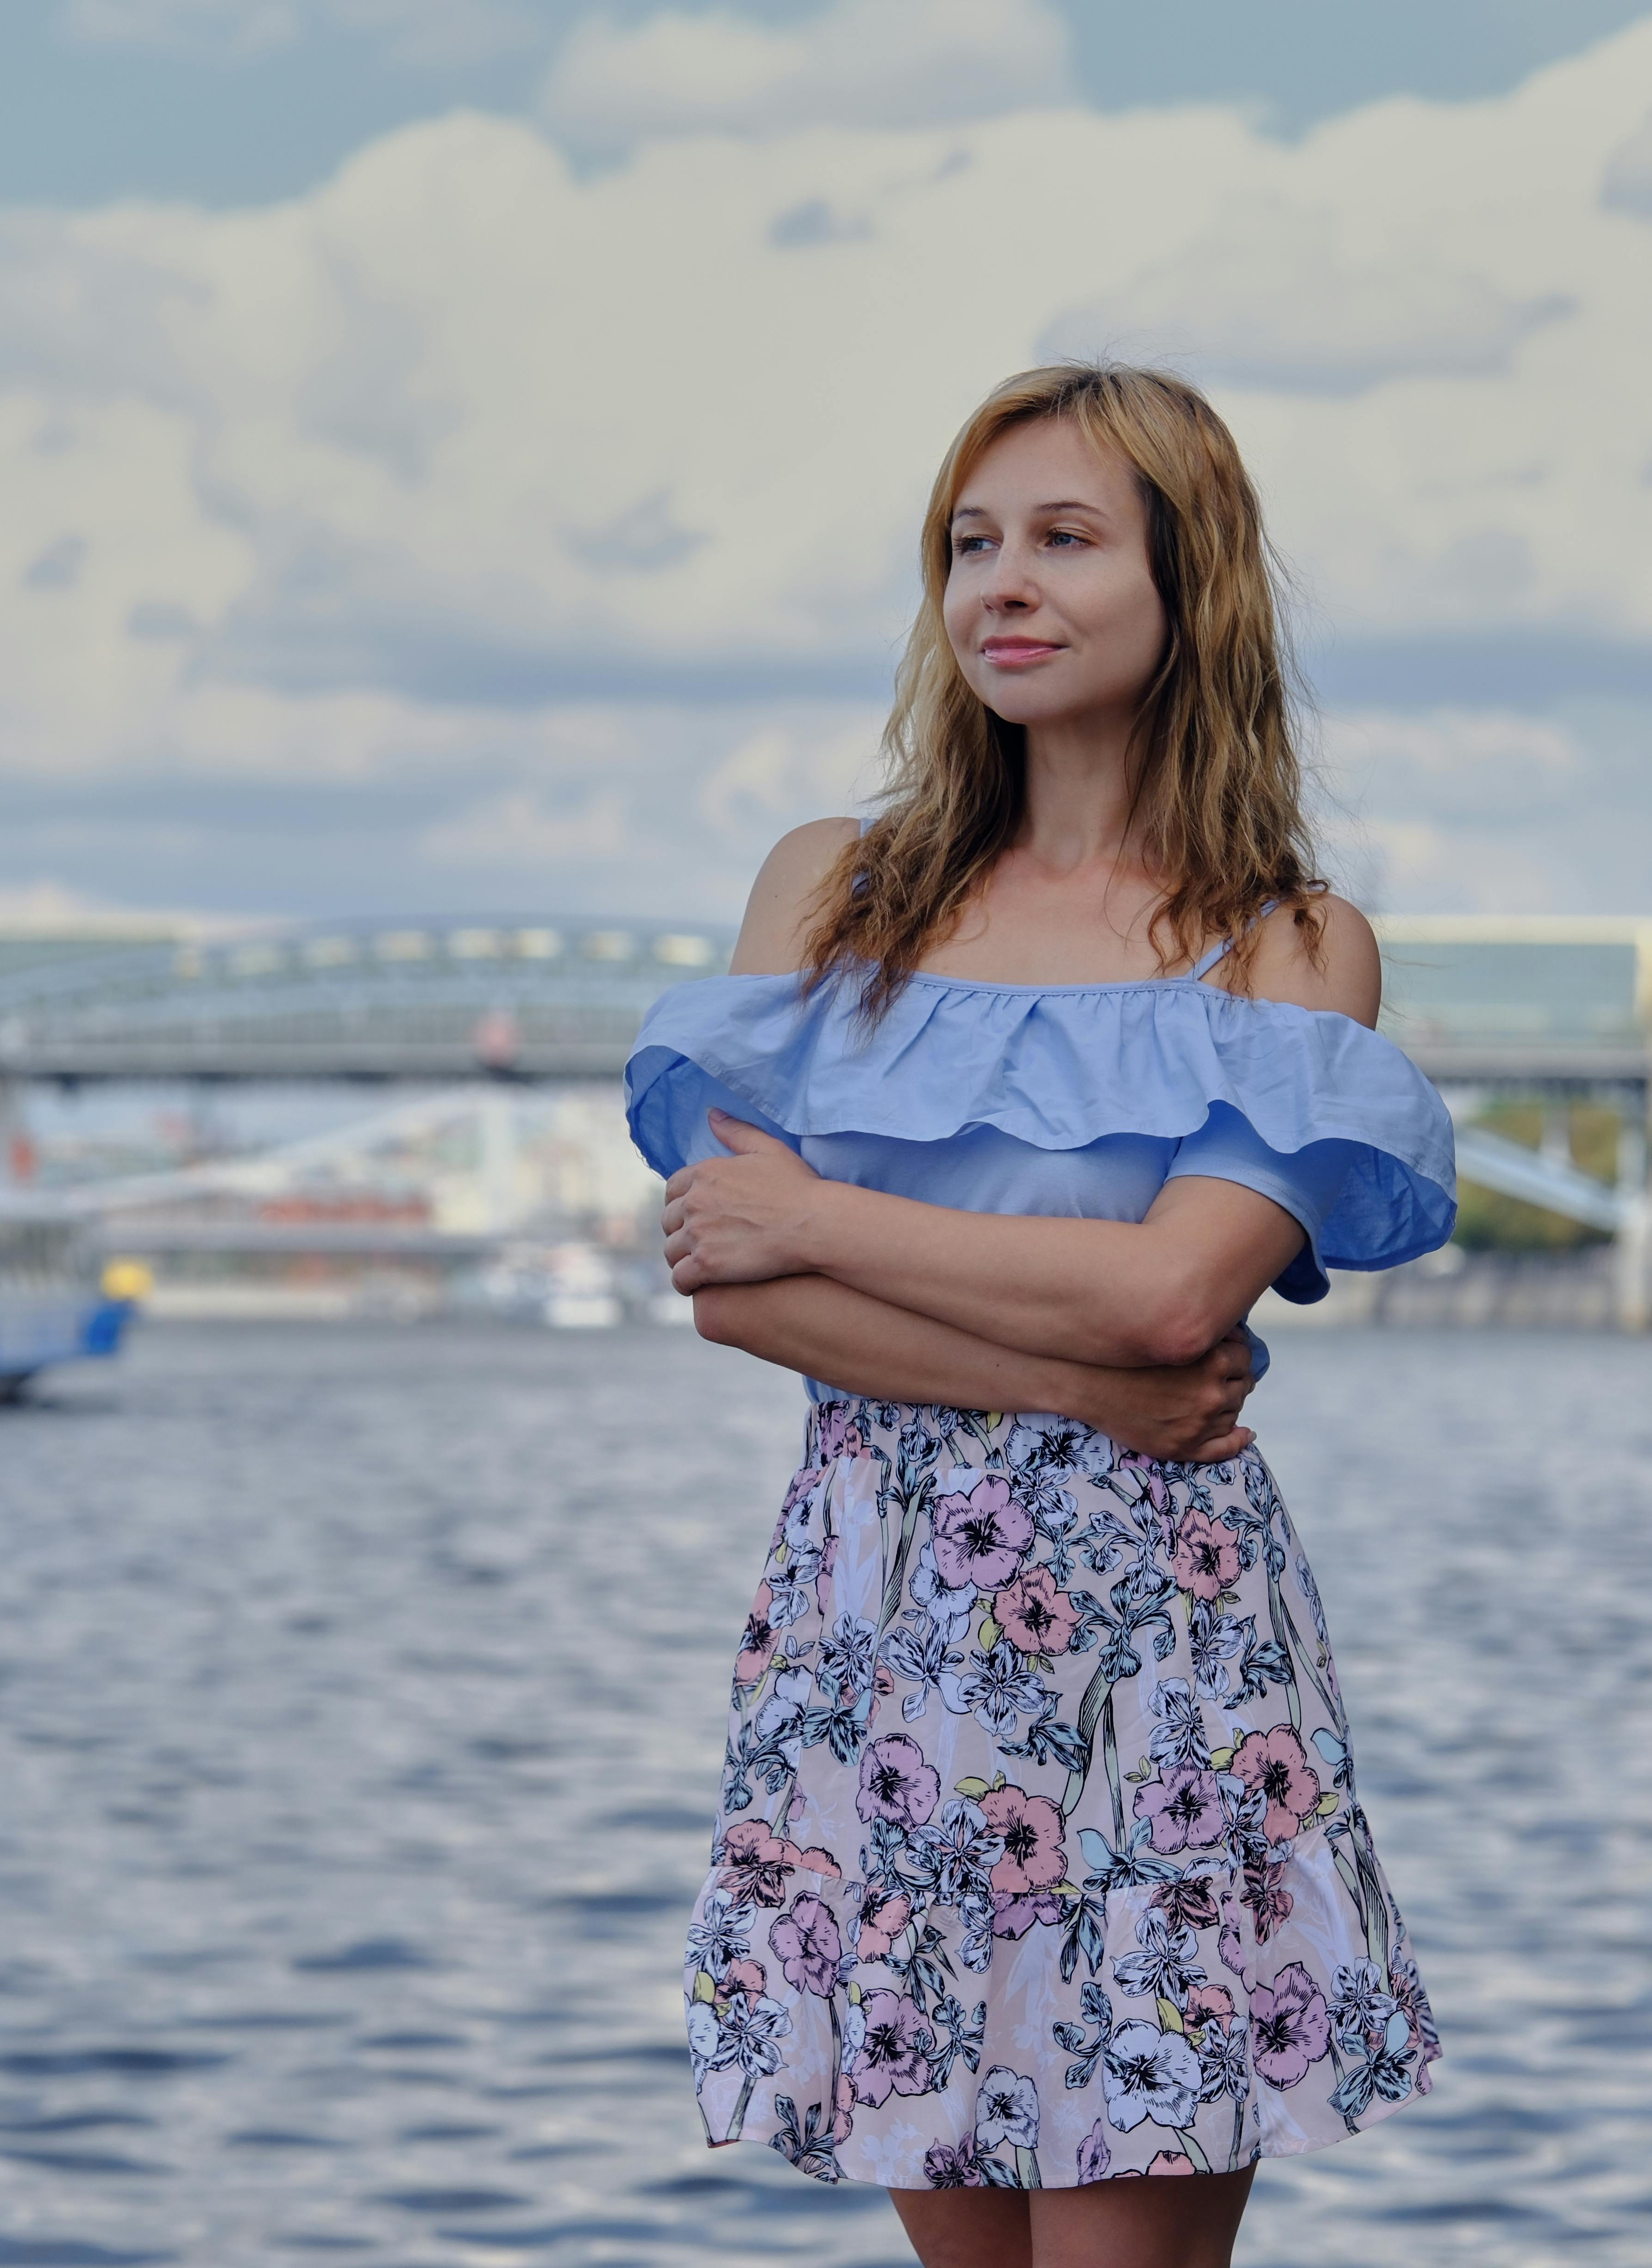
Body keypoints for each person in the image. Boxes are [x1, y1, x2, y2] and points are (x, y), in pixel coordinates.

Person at [629, 364, 1456, 2267]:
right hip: (883, 1632)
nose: (1002, 582)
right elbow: (732, 1291)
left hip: (1155, 1654)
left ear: (1192, 583)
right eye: (969, 544)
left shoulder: (1285, 940)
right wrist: (1087, 1368)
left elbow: (1177, 1292)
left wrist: (830, 1219)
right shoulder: (834, 892)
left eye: (1067, 539)